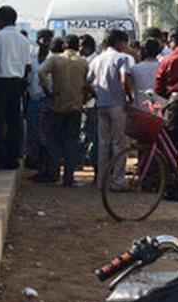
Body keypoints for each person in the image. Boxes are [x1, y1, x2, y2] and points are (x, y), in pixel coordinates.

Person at [37, 37, 89, 186]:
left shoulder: (55, 59)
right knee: (71, 142)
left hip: (58, 105)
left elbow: (41, 72)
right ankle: (68, 178)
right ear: (77, 47)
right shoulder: (83, 62)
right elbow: (85, 83)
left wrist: (47, 91)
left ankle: (54, 173)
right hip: (75, 107)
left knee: (53, 140)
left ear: (64, 45)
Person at [87, 29, 135, 189]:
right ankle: (118, 181)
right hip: (117, 104)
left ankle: (102, 180)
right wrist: (130, 98)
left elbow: (87, 82)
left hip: (101, 104)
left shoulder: (97, 60)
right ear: (119, 42)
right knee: (118, 145)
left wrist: (97, 95)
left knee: (103, 144)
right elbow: (124, 79)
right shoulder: (122, 58)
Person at [0, 5, 30, 170]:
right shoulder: (24, 40)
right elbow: (27, 67)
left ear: (1, 19)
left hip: (0, 82)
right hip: (17, 83)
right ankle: (12, 159)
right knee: (14, 122)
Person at [24, 29, 54, 171]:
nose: (44, 42)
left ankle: (45, 165)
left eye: (47, 39)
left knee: (45, 134)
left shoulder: (53, 59)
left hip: (46, 99)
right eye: (42, 39)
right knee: (32, 132)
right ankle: (33, 159)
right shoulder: (31, 57)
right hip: (32, 99)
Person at [78, 34, 99, 173]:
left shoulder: (93, 62)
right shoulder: (86, 60)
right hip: (89, 103)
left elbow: (88, 84)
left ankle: (92, 164)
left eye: (80, 46)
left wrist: (84, 100)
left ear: (87, 47)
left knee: (91, 136)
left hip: (92, 104)